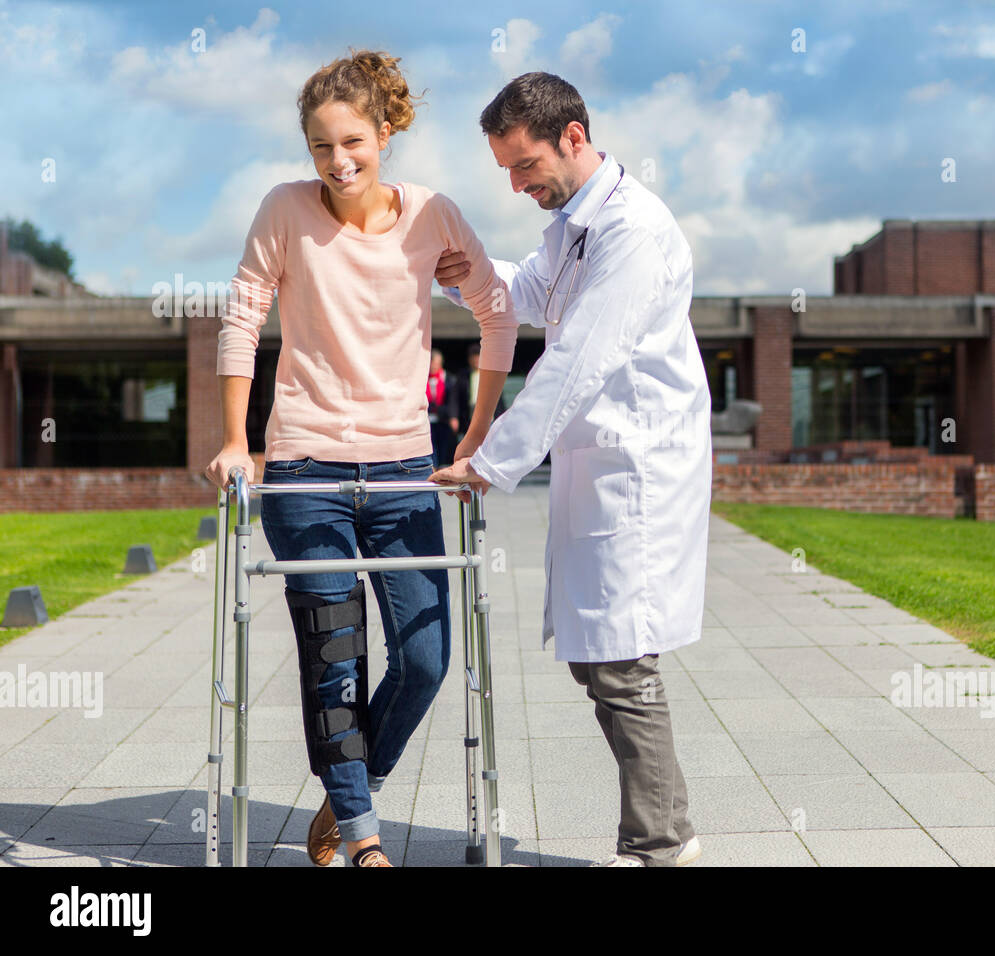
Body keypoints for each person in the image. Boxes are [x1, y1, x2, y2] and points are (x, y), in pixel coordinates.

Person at [203, 49, 515, 868]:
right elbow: (241, 319)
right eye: (319, 147)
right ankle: (365, 838)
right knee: (335, 660)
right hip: (304, 471)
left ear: (386, 131)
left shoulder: (434, 216)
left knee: (424, 656)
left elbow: (500, 313)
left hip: (405, 467)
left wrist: (477, 433)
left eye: (352, 143)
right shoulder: (283, 210)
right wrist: (239, 441)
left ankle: (352, 789)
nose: (337, 163)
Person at [432, 72, 711, 867]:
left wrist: (490, 459)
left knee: (621, 658)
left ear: (573, 136)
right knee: (599, 656)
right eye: (507, 174)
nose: (519, 186)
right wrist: (465, 278)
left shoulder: (631, 231)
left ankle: (661, 844)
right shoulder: (572, 228)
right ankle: (663, 833)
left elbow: (578, 359)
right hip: (602, 463)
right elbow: (526, 293)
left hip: (640, 464)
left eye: (525, 167)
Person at [426, 348, 460, 466]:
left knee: (444, 447)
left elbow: (453, 400)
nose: (434, 366)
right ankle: (433, 467)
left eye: (436, 363)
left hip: (443, 418)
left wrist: (453, 417)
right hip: (428, 419)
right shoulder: (423, 378)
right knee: (431, 448)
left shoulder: (448, 378)